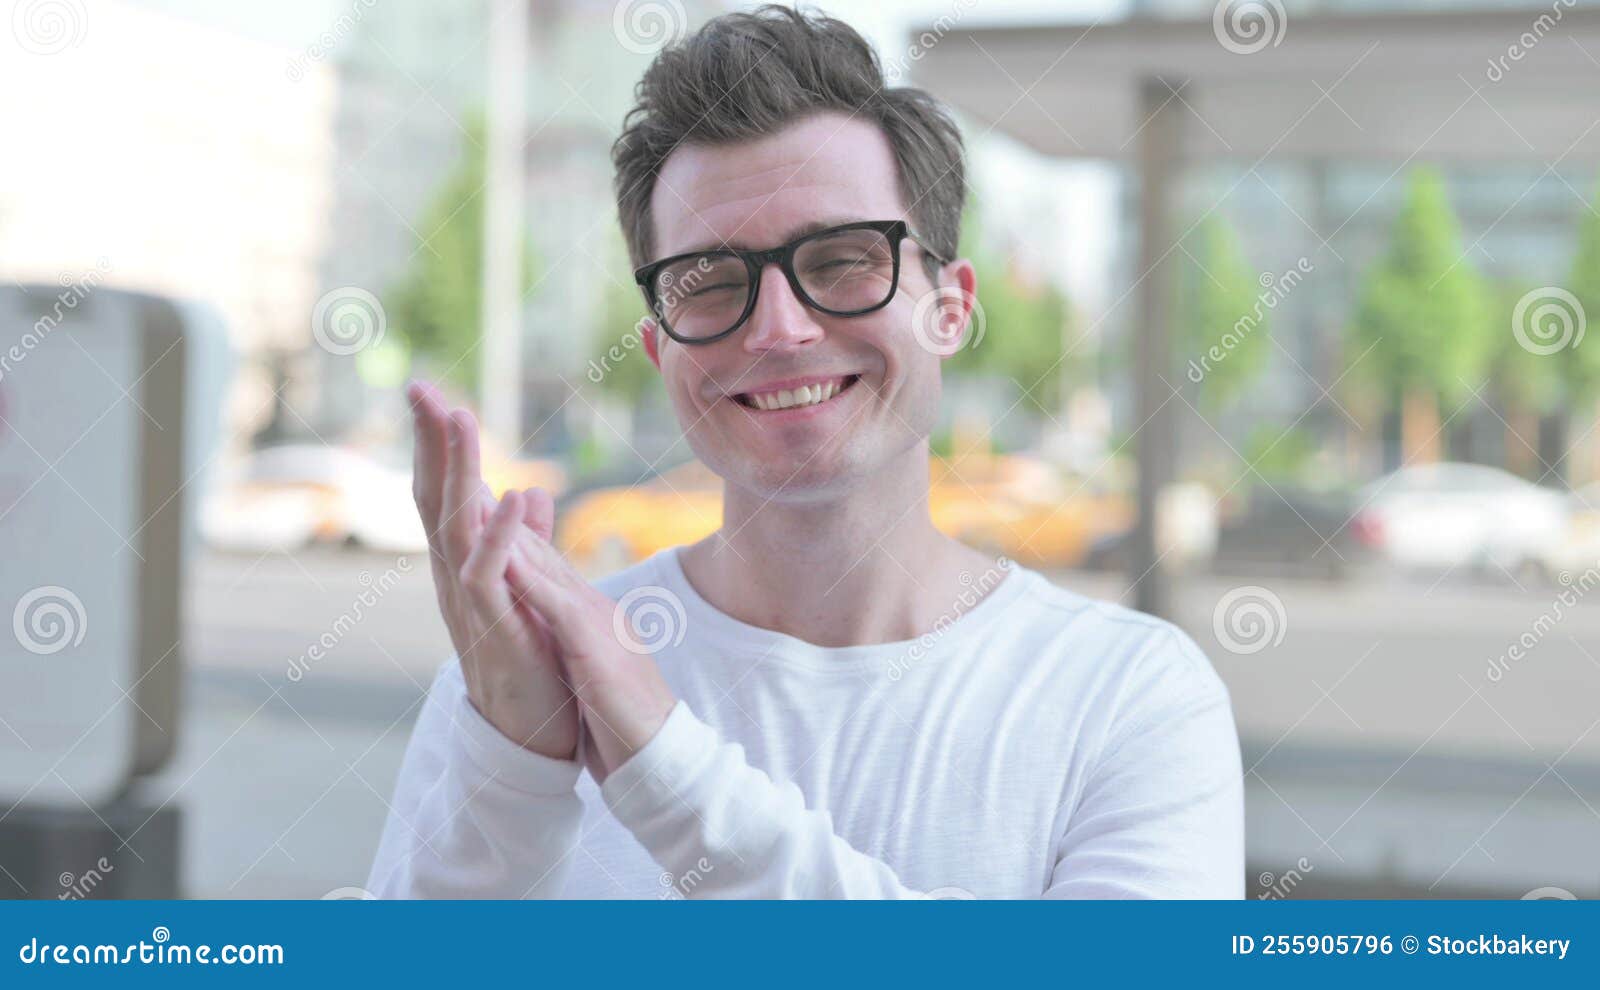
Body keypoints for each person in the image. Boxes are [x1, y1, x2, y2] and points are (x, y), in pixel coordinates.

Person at [368, 6, 1243, 899]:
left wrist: (666, 766)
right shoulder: (518, 677)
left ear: (950, 307)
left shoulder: (1131, 698)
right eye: (708, 282)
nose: (780, 329)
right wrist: (514, 769)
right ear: (660, 350)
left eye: (844, 260)